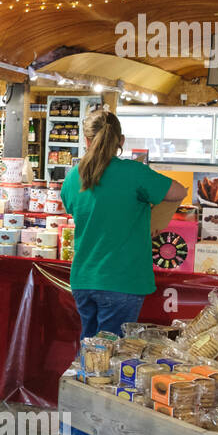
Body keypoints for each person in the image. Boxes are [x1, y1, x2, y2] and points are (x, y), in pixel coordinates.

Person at [62, 107, 186, 340]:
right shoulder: (134, 173)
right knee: (110, 357)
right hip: (122, 280)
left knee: (90, 354)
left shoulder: (72, 177)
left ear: (86, 141)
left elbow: (75, 210)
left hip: (83, 279)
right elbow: (179, 191)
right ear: (120, 141)